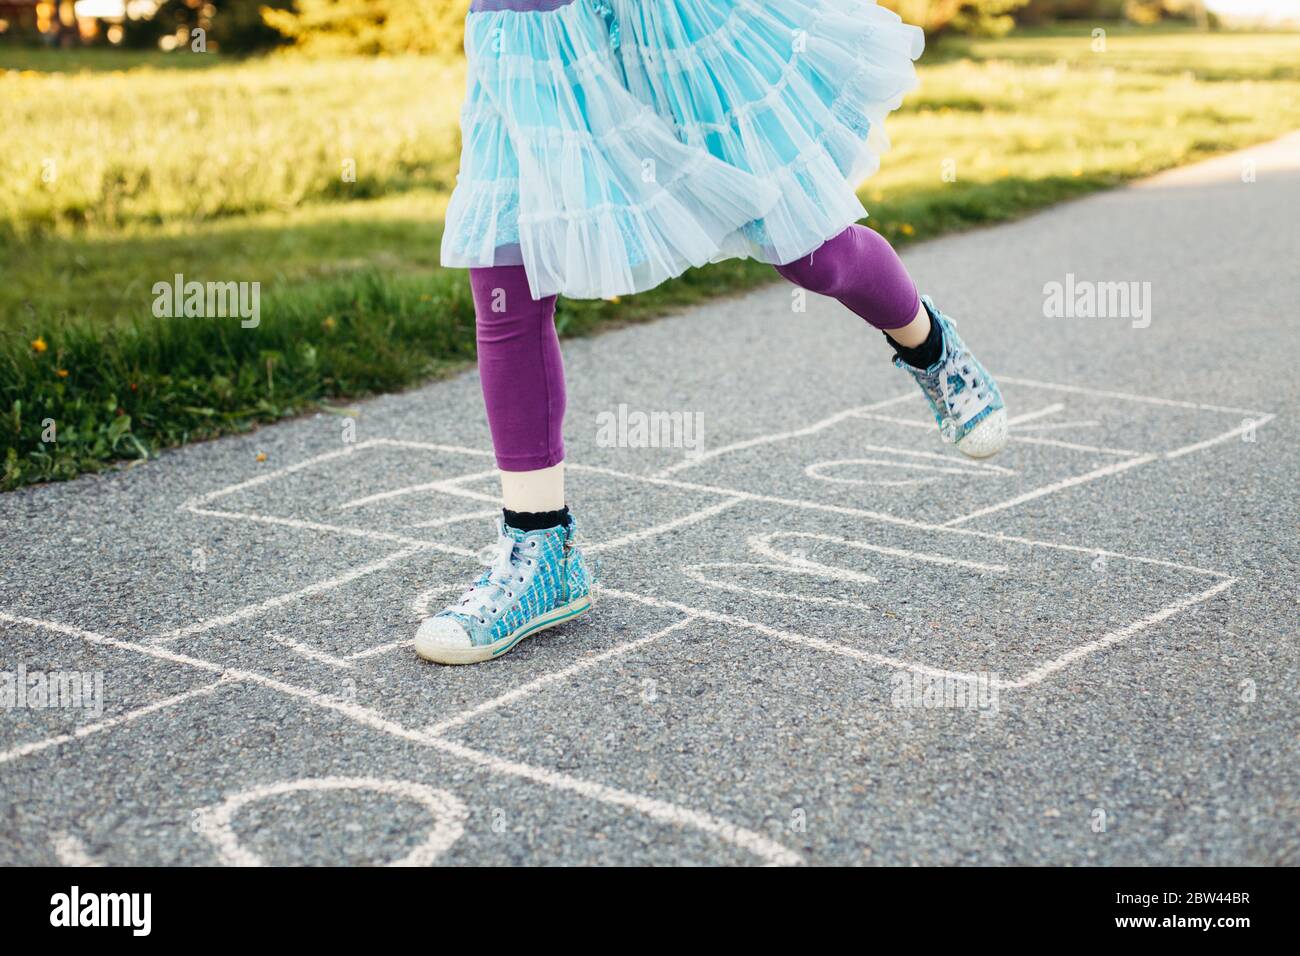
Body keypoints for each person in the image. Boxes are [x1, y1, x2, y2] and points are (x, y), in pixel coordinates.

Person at [416, 0, 1007, 664]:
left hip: (662, 22)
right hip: (527, 35)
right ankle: (541, 548)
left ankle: (930, 347)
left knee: (813, 251)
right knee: (505, 275)